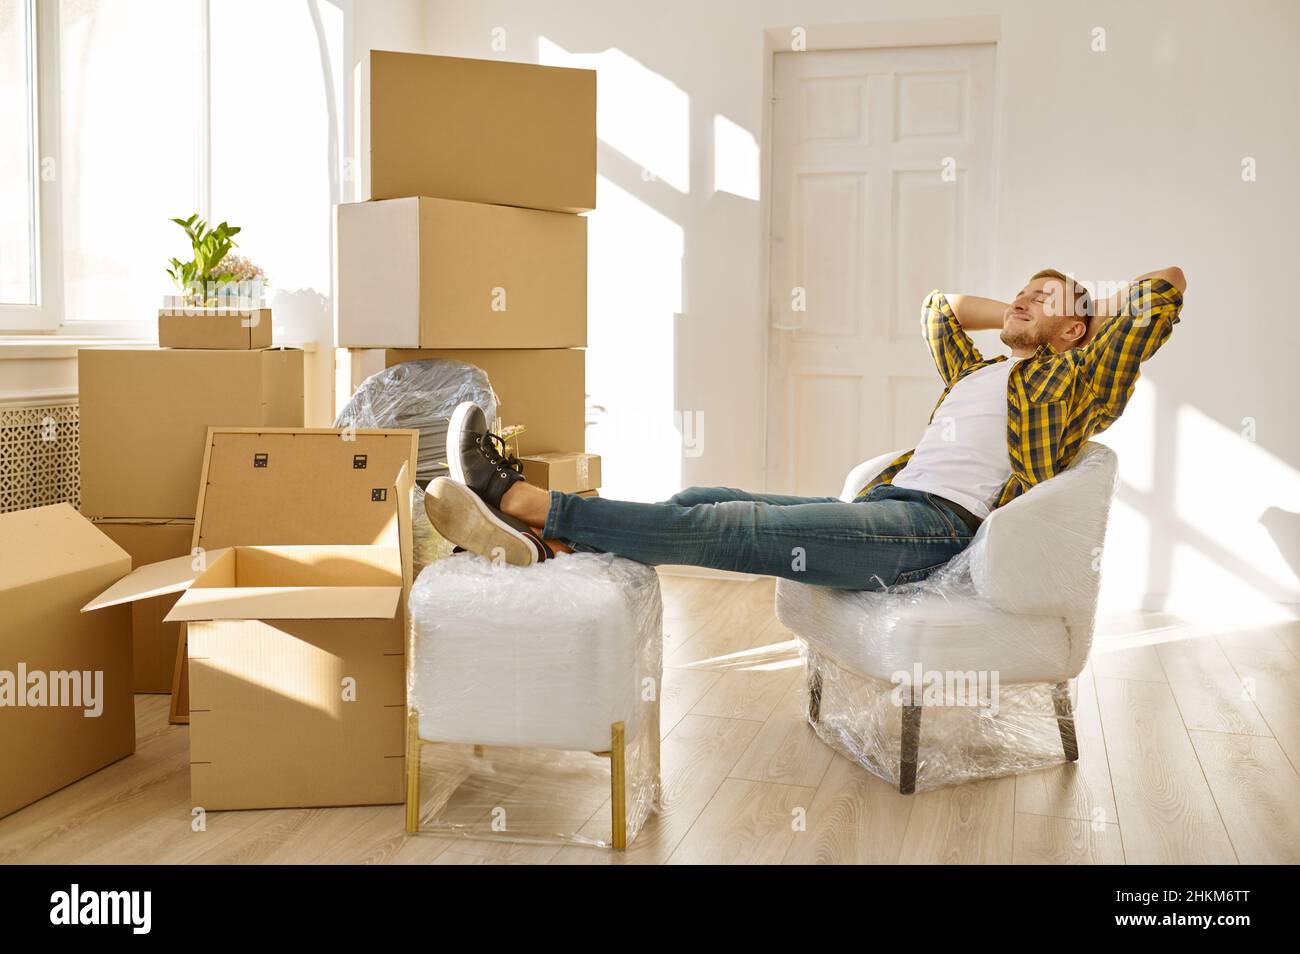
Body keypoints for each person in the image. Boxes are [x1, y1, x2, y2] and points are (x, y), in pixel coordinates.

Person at [423, 266, 1186, 590]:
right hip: (888, 509)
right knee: (702, 495)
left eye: (1040, 300)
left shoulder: (1079, 383)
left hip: (935, 532)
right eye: (1020, 291)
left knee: (732, 524)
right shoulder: (977, 372)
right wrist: (1032, 308)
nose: (1019, 301)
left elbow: (1165, 288)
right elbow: (939, 309)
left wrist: (1076, 313)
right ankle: (545, 549)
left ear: (1078, 331)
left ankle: (523, 501)